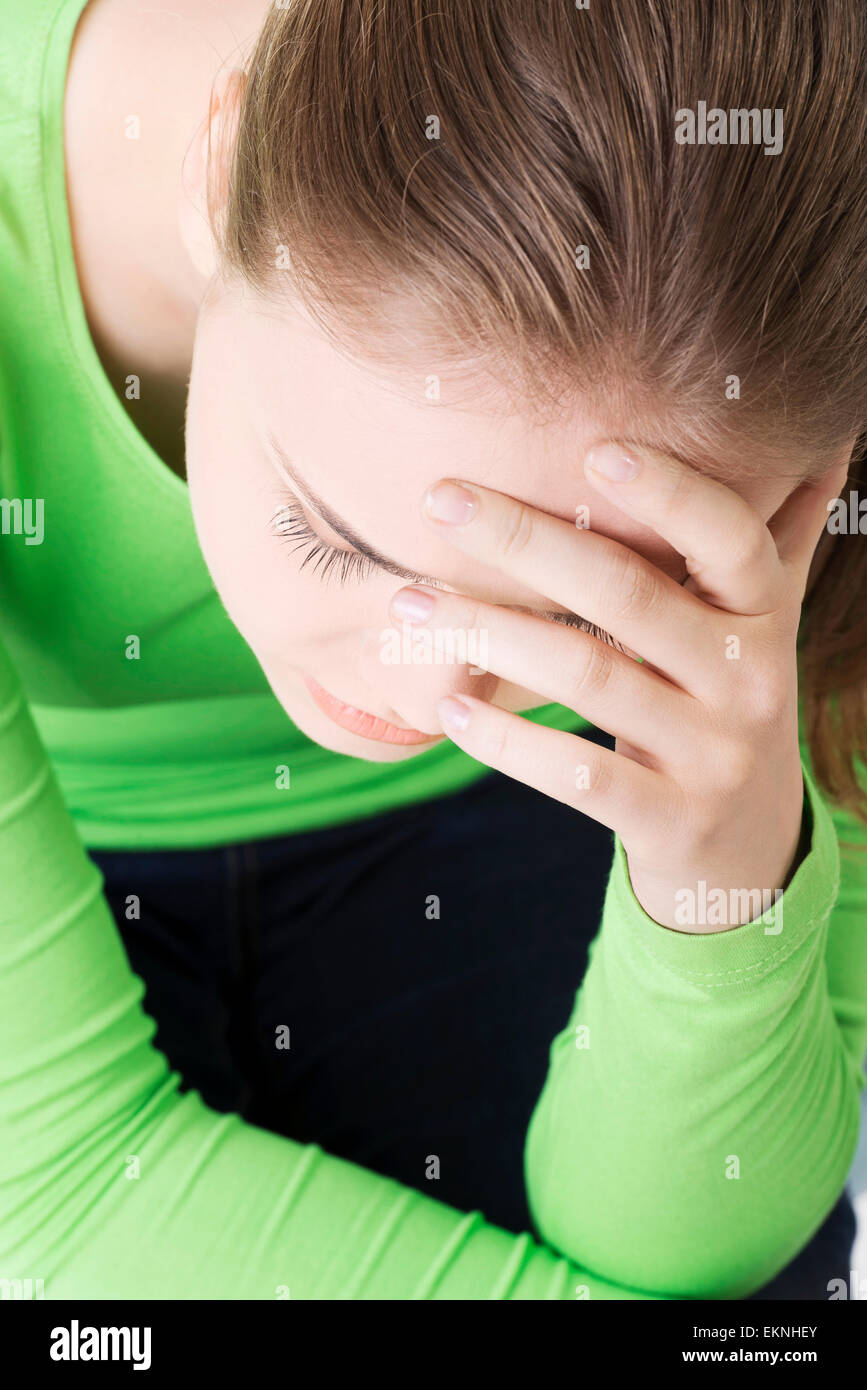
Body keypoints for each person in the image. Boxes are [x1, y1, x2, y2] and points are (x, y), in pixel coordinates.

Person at [0, 0, 865, 1300]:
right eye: (336, 540)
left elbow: (706, 1255)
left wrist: (720, 879)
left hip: (513, 822)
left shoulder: (791, 348)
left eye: (585, 613)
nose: (434, 685)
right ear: (216, 167)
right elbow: (43, 1202)